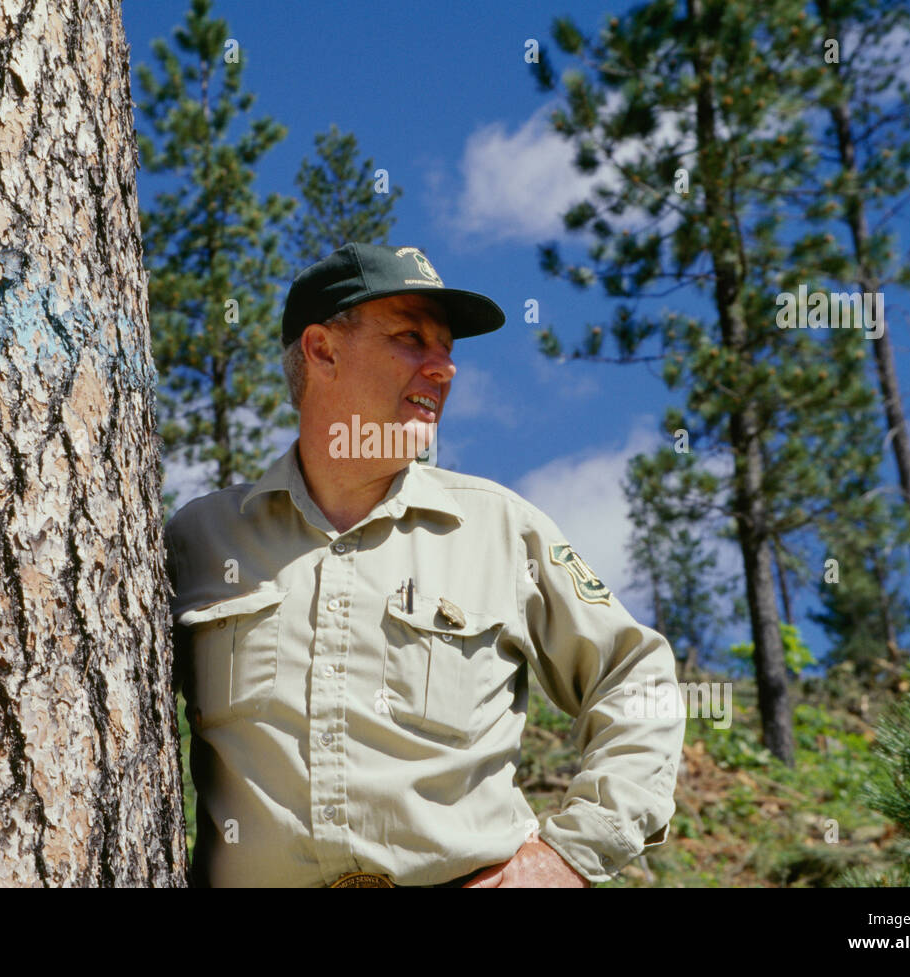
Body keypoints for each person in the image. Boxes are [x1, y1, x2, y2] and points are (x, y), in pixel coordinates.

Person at [166, 243, 685, 887]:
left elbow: (637, 679)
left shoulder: (501, 528)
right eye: (411, 338)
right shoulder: (198, 537)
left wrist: (569, 856)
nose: (445, 369)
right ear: (322, 349)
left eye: (448, 349)